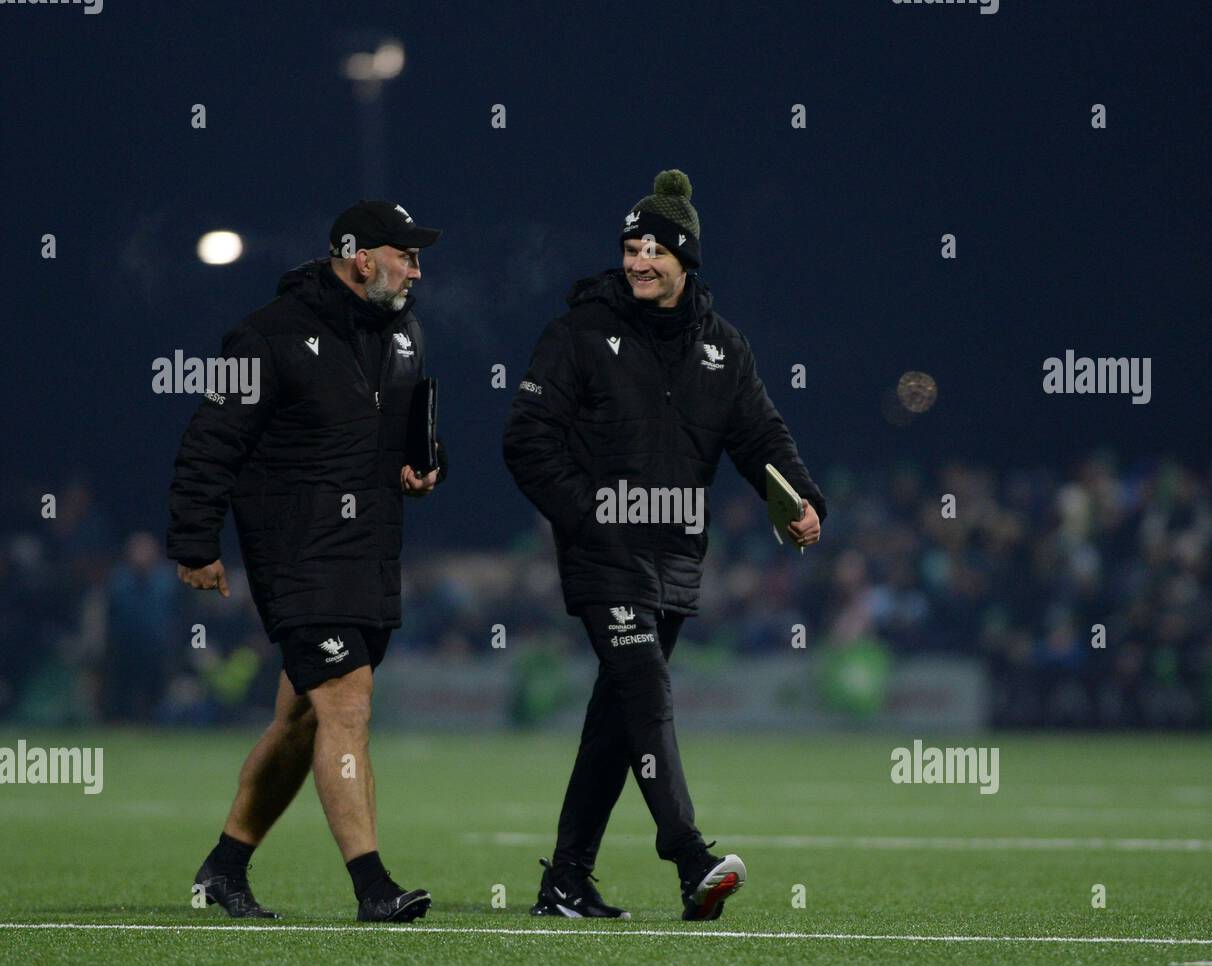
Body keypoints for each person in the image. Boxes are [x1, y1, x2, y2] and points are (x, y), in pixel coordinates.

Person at [503, 170, 826, 921]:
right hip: (605, 553)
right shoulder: (580, 332)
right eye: (631, 248)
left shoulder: (723, 346)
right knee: (646, 694)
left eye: (655, 250)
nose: (639, 261)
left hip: (678, 555)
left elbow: (761, 436)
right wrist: (589, 517)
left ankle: (566, 882)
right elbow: (526, 439)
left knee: (617, 721)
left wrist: (803, 499)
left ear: (687, 260)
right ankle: (689, 859)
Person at [167, 200, 443, 922]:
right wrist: (196, 540)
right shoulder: (269, 335)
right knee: (346, 703)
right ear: (361, 259)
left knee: (299, 721)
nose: (416, 271)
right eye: (406, 256)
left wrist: (426, 463)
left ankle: (224, 868)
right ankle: (373, 886)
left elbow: (412, 427)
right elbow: (211, 439)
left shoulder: (406, 333)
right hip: (297, 553)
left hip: (371, 551)